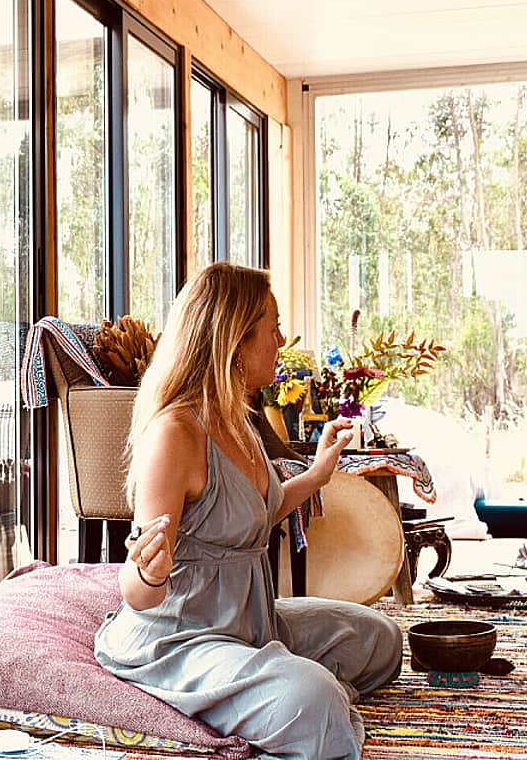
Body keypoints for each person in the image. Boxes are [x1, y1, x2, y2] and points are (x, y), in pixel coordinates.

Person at [94, 262, 402, 760]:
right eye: (273, 326)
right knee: (315, 698)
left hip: (252, 627)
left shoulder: (240, 419)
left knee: (380, 639)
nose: (281, 340)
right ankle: (301, 698)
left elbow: (259, 512)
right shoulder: (177, 434)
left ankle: (277, 691)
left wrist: (318, 473)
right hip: (182, 640)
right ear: (235, 339)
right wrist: (148, 572)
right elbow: (136, 589)